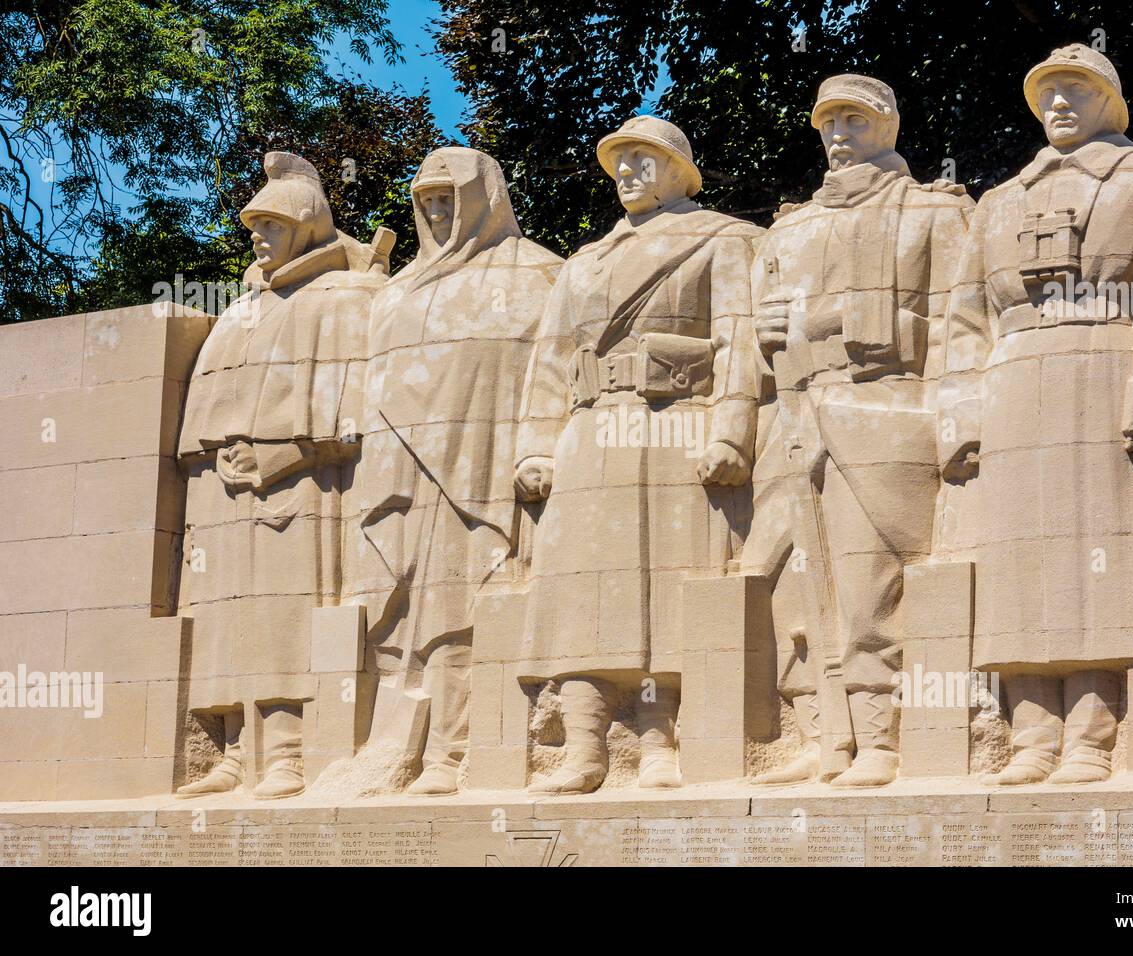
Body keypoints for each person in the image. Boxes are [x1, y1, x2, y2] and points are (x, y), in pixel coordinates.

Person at [938, 45, 1133, 785]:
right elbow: (961, 320)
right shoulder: (1000, 200)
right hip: (1011, 385)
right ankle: (1031, 735)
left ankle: (1091, 738)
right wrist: (960, 416)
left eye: (1077, 89)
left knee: (1098, 564)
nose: (1059, 103)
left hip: (1101, 368)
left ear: (1111, 100)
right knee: (1015, 569)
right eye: (1048, 92)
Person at [513, 115, 763, 794]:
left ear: (680, 172)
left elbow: (742, 340)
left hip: (673, 426)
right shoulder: (583, 263)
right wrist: (534, 448)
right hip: (590, 434)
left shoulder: (724, 239)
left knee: (658, 596)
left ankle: (657, 744)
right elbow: (550, 364)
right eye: (618, 162)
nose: (626, 172)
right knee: (578, 596)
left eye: (643, 160)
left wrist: (730, 432)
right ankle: (584, 747)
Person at [748, 75, 973, 787]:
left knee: (871, 582)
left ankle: (879, 739)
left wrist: (955, 422)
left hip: (886, 412)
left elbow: (960, 326)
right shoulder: (788, 229)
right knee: (796, 588)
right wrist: (766, 333)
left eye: (855, 118)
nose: (839, 131)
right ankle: (822, 736)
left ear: (889, 125)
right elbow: (753, 343)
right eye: (829, 120)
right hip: (795, 417)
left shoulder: (932, 213)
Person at [344, 147, 561, 794]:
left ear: (484, 199)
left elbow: (552, 372)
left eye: (450, 198)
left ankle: (454, 750)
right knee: (399, 610)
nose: (438, 212)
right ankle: (397, 745)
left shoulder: (540, 274)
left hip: (483, 476)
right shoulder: (395, 292)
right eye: (427, 201)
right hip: (396, 480)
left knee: (458, 608)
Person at [177, 152, 383, 799]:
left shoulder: (343, 296)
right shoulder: (242, 310)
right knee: (230, 619)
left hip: (301, 487)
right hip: (229, 492)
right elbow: (206, 417)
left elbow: (352, 418)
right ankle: (239, 749)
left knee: (286, 618)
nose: (258, 238)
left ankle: (288, 752)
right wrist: (221, 458)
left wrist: (279, 457)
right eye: (253, 227)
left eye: (271, 224)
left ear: (303, 225)